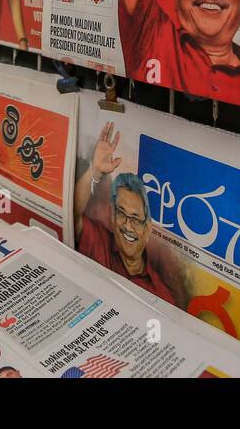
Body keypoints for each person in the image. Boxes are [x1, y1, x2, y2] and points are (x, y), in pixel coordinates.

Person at [73, 123, 173, 302]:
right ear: (112, 215)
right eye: (122, 213)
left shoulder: (162, 293)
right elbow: (72, 217)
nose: (127, 225)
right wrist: (94, 170)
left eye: (135, 219)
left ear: (148, 228)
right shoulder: (100, 241)